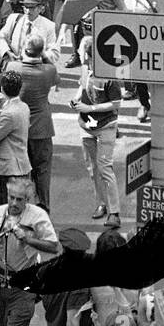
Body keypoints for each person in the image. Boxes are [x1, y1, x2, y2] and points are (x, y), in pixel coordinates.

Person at [0, 176, 60, 326]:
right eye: (11, 198)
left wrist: (28, 239)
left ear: (27, 200)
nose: (14, 203)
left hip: (24, 287)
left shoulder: (38, 216)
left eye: (19, 199)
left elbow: (53, 246)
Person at [6, 34, 59, 212]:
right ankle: (43, 205)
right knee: (43, 170)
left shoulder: (13, 67)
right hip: (42, 127)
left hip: (19, 128)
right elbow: (54, 73)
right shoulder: (48, 71)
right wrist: (43, 54)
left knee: (21, 170)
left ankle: (22, 205)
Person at [72, 35, 121, 226]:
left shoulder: (109, 75)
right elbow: (81, 88)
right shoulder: (85, 70)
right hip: (87, 126)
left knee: (105, 168)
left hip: (106, 126)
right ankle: (101, 203)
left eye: (83, 53)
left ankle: (114, 213)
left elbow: (116, 104)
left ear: (92, 56)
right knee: (93, 169)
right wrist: (76, 100)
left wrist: (89, 109)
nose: (80, 56)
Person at [0, 70, 32, 206]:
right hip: (20, 164)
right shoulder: (23, 107)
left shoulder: (8, 114)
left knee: (3, 207)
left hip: (7, 169)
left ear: (2, 88)